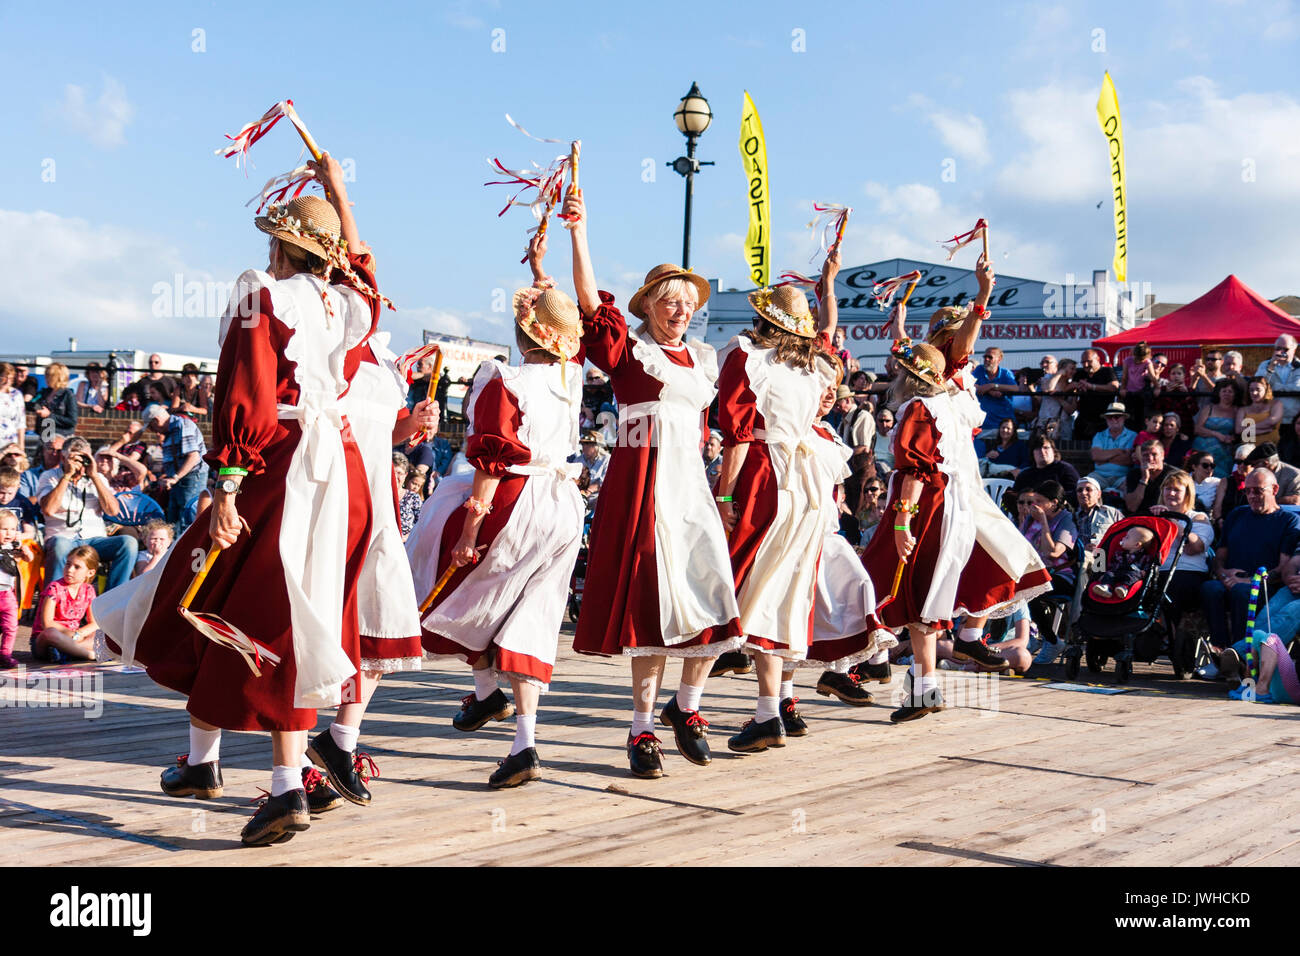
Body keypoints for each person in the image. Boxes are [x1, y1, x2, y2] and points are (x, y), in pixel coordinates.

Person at [93, 161, 388, 846]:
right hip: (335, 474)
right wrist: (341, 192)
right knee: (252, 608)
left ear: (281, 250)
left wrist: (226, 486)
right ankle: (205, 763)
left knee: (252, 614)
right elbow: (363, 267)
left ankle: (284, 787)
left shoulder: (264, 294)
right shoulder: (347, 304)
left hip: (277, 464)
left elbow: (245, 392)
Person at [565, 186, 742, 778]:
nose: (682, 311)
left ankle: (686, 708)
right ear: (650, 307)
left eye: (688, 304)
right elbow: (590, 304)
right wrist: (579, 231)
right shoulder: (630, 352)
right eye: (671, 302)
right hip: (642, 482)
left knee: (714, 590)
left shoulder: (702, 360)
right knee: (650, 606)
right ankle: (641, 730)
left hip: (689, 484)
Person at [406, 229, 582, 789]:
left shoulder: (501, 377)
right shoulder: (568, 375)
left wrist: (473, 523)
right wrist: (541, 272)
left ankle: (485, 692)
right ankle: (523, 739)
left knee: (444, 585)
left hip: (515, 497)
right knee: (531, 616)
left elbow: (491, 457)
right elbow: (556, 328)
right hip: (563, 505)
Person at [715, 276, 849, 752]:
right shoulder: (814, 367)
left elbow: (738, 434)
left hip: (765, 474)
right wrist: (828, 286)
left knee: (749, 586)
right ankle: (778, 704)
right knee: (789, 590)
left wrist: (725, 495)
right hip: (810, 481)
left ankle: (757, 705)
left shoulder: (745, 356)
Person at [859, 341, 972, 721]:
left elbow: (916, 470)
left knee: (889, 583)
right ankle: (919, 685)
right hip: (947, 501)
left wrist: (903, 520)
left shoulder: (919, 408)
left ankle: (866, 663)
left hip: (924, 505)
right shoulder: (949, 406)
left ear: (911, 377)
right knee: (920, 594)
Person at [1199, 469, 1300, 663]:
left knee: (1242, 592)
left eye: (1258, 491)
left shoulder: (1289, 521)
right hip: (1229, 579)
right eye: (1248, 491)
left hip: (1263, 584)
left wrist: (1246, 580)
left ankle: (1239, 657)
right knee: (1210, 589)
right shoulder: (1237, 515)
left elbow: (1282, 568)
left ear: (1275, 489)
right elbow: (1219, 558)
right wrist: (1223, 574)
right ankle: (1220, 651)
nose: (1252, 496)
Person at [37, 437, 137, 590]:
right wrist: (66, 477)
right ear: (63, 458)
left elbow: (113, 511)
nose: (80, 463)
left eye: (85, 458)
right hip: (62, 537)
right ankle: (54, 600)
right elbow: (48, 509)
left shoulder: (98, 478)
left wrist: (95, 476)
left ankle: (112, 600)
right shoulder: (49, 476)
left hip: (94, 539)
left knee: (128, 543)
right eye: (75, 458)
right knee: (61, 545)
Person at [1148, 470, 1213, 629]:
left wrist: (1170, 519)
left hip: (1187, 572)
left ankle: (1174, 636)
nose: (1171, 493)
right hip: (1158, 571)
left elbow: (1194, 548)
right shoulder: (1155, 516)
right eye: (1167, 488)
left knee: (1172, 587)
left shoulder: (1198, 517)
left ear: (1187, 494)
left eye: (1176, 490)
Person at [143, 403, 209, 533]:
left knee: (187, 519)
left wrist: (175, 477)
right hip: (179, 480)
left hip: (191, 478)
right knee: (173, 522)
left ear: (156, 420)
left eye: (151, 427)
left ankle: (186, 551)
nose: (153, 431)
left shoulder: (182, 425)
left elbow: (193, 457)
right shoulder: (171, 431)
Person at [31, 544, 99, 663]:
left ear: (90, 573)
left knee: (102, 634)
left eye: (77, 567)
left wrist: (80, 633)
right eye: (68, 564)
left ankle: (68, 651)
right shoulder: (54, 588)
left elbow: (95, 623)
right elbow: (47, 623)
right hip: (47, 640)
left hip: (76, 638)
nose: (70, 569)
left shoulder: (89, 590)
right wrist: (72, 635)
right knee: (50, 633)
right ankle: (89, 654)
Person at [1193, 378, 1243, 480]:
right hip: (1204, 444)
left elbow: (1241, 431)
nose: (1227, 394)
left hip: (1225, 446)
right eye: (1224, 391)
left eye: (1230, 392)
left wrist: (1231, 438)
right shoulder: (1209, 408)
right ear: (1219, 393)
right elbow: (1197, 429)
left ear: (1235, 394)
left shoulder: (1238, 410)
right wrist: (1217, 434)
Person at [1069, 349, 1120, 442]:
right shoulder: (1080, 373)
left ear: (1098, 359)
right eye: (1083, 362)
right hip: (1084, 419)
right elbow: (1067, 387)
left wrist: (1091, 387)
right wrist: (1078, 385)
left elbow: (1114, 387)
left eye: (1088, 361)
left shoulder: (1107, 371)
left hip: (1103, 420)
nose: (1085, 365)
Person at [0, 511, 29, 667]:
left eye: (12, 529)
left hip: (8, 594)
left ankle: (5, 654)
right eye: (4, 529)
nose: (9, 533)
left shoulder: (13, 548)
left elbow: (29, 558)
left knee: (11, 626)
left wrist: (24, 549)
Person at [1090, 402, 1137, 492]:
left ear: (1124, 418)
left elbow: (1128, 460)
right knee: (1085, 485)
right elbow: (1096, 456)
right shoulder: (1099, 435)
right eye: (1109, 417)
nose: (1113, 420)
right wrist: (1119, 451)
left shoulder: (1133, 436)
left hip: (1123, 477)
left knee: (1130, 488)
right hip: (1099, 476)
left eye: (1116, 417)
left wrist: (1104, 459)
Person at [1013, 435, 1079, 496]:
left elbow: (1076, 492)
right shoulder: (1025, 475)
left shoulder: (1065, 469)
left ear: (1053, 451)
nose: (1042, 451)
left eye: (1046, 448)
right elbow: (1015, 495)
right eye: (1038, 448)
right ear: (1032, 453)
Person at [1124, 439, 1174, 514]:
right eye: (1145, 455)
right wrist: (1144, 479)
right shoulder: (1134, 474)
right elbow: (1132, 507)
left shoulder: (1174, 475)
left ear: (1162, 455)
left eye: (1154, 454)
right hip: (1139, 517)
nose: (1150, 459)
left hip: (1165, 516)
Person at [972, 346, 1016, 431]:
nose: (986, 359)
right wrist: (989, 391)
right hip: (981, 424)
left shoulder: (1005, 373)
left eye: (990, 357)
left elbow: (1016, 388)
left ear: (999, 360)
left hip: (1002, 425)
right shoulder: (979, 369)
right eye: (985, 357)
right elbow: (970, 385)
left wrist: (992, 386)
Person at [1074, 475, 1122, 552]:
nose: (1083, 492)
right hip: (1081, 559)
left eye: (1088, 489)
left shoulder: (1112, 513)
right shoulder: (1072, 517)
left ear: (1099, 494)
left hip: (1106, 557)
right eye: (1080, 490)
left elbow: (1124, 535)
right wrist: (1082, 549)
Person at [34, 362, 77, 439]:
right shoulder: (45, 392)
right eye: (46, 375)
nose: (46, 378)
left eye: (49, 376)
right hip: (45, 435)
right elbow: (36, 405)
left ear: (58, 377)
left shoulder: (68, 395)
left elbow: (72, 421)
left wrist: (49, 415)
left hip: (61, 438)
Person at [1237, 377, 1283, 446]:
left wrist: (1248, 429)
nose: (1254, 393)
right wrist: (1264, 430)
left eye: (1258, 389)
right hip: (1247, 450)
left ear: (1266, 390)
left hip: (1271, 448)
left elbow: (1271, 421)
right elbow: (1238, 430)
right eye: (1251, 390)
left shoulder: (1276, 404)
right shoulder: (1243, 410)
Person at [568, 429, 610, 495]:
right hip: (579, 494)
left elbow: (605, 481)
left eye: (587, 444)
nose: (583, 446)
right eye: (582, 444)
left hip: (598, 496)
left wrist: (588, 491)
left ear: (597, 446)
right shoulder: (578, 460)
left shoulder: (607, 459)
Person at [0, 364, 25, 450]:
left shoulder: (17, 394)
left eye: (10, 378)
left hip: (10, 441)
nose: (7, 381)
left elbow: (21, 422)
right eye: (4, 377)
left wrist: (21, 445)